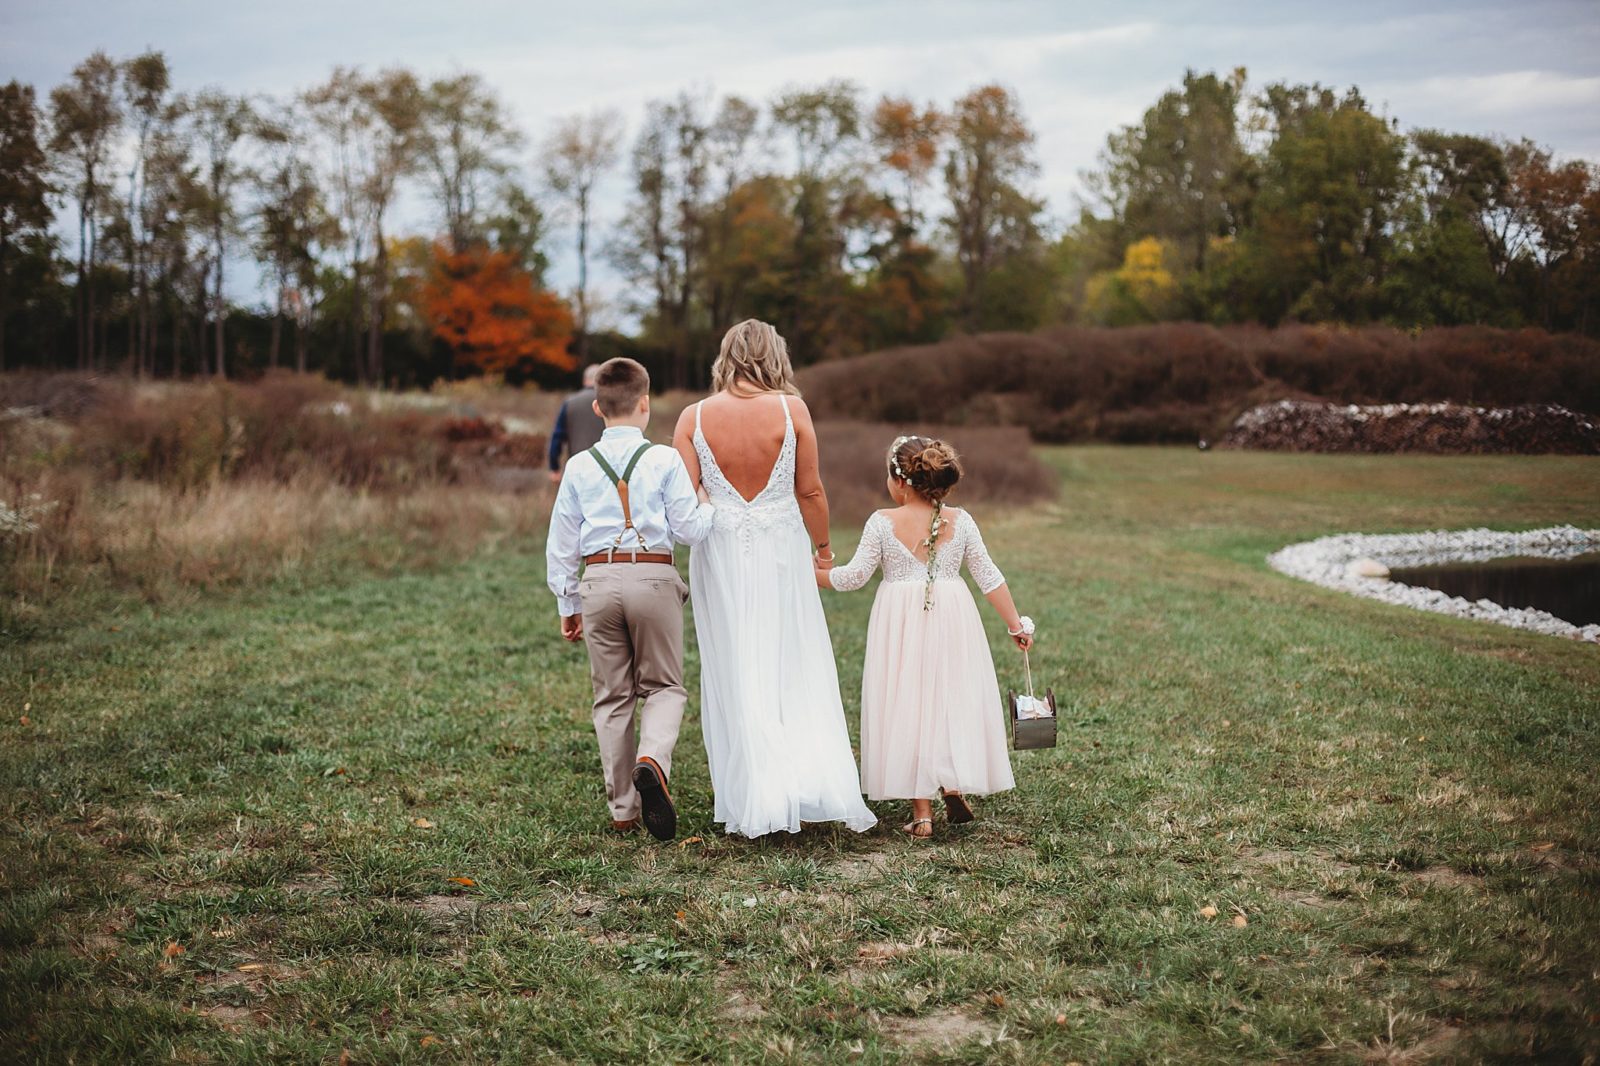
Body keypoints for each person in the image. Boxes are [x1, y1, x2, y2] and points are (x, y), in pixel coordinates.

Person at [672, 320, 877, 838]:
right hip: (783, 549)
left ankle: (754, 793)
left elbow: (683, 496)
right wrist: (825, 550)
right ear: (774, 356)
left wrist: (713, 506)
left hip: (719, 552)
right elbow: (810, 492)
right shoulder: (792, 410)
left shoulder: (692, 417)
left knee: (736, 663)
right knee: (792, 660)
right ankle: (800, 782)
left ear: (726, 356)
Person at [817, 436, 1032, 839]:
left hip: (899, 620)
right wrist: (1015, 624)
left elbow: (852, 578)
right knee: (949, 697)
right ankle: (951, 783)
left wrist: (810, 574)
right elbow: (989, 576)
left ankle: (922, 814)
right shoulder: (961, 520)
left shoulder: (882, 521)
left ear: (900, 482)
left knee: (908, 701)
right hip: (953, 614)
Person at [546, 358, 715, 840]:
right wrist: (708, 505)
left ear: (597, 407)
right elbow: (688, 529)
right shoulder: (663, 460)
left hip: (597, 582)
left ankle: (623, 810)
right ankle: (651, 761)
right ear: (646, 404)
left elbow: (562, 543)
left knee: (612, 697)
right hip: (654, 579)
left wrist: (567, 603)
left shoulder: (579, 466)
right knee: (664, 686)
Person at [548, 364, 606, 483]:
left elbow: (557, 437)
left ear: (584, 380)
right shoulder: (610, 402)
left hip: (578, 468)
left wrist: (554, 467)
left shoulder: (570, 403)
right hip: (607, 469)